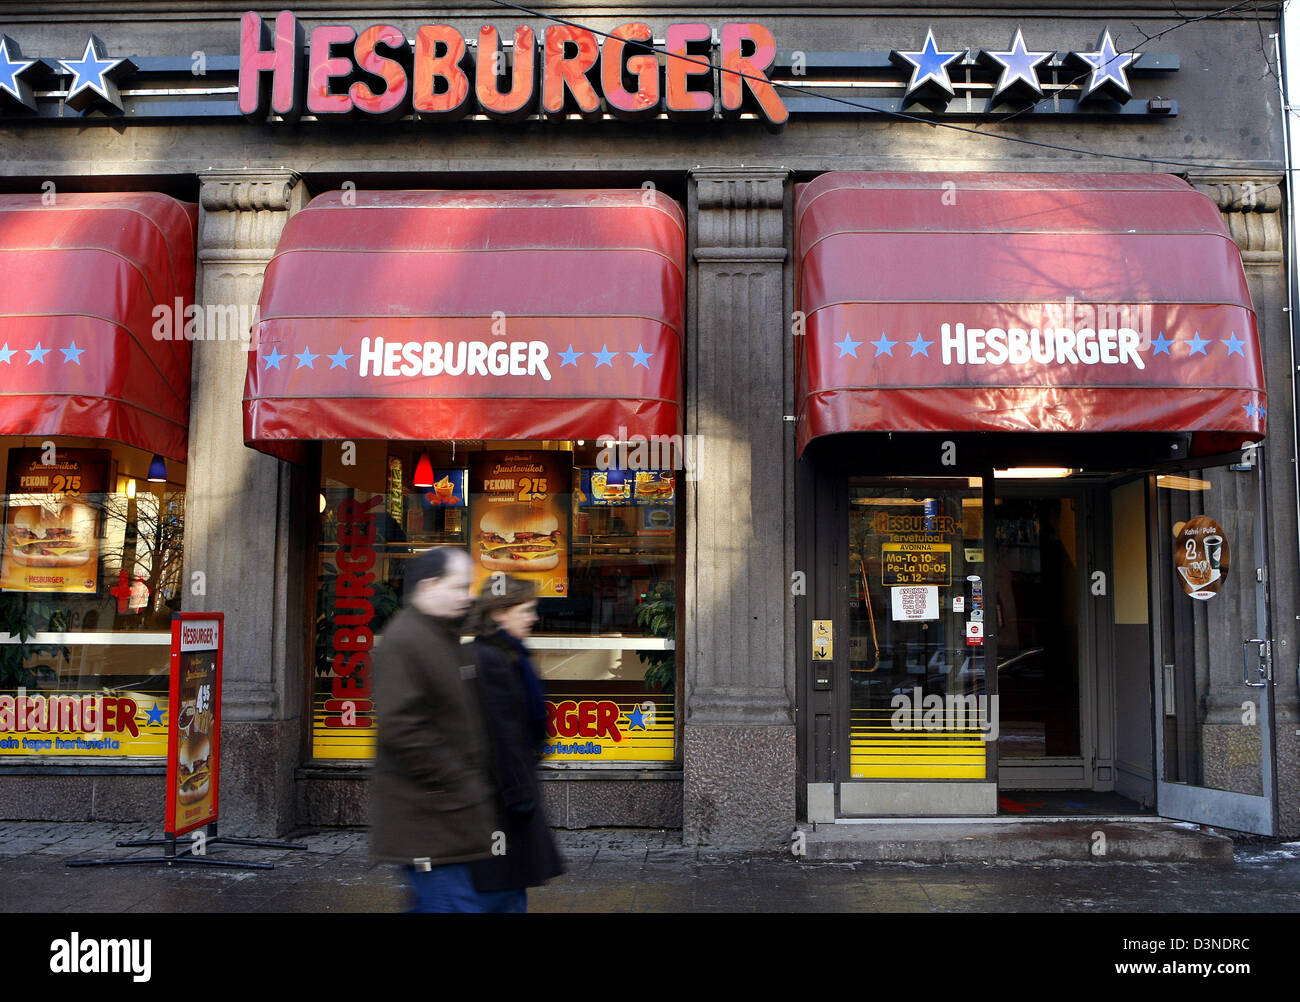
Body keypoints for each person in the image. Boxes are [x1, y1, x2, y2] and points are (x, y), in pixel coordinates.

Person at [369, 546, 499, 912]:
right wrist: (458, 779)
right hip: (429, 822)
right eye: (458, 586)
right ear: (428, 586)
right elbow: (401, 728)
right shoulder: (406, 641)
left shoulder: (442, 636)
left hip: (446, 820)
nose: (467, 595)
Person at [466, 575, 565, 911]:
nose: (533, 617)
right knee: (500, 889)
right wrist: (519, 795)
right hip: (502, 803)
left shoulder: (510, 655)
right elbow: (501, 735)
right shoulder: (493, 659)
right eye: (526, 610)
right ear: (498, 613)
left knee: (507, 887)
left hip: (506, 796)